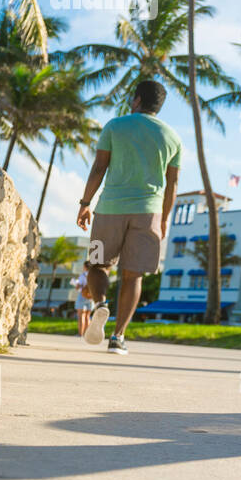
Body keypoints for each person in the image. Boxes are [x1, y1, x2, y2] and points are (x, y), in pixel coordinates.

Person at [76, 79, 182, 355]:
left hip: (109, 209)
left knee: (97, 265)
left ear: (136, 100)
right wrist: (165, 218)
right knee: (133, 276)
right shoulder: (173, 137)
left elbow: (99, 167)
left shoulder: (115, 126)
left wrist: (85, 203)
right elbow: (173, 184)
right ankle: (118, 337)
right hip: (148, 212)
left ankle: (100, 305)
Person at [73, 265, 93, 337]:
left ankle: (80, 333)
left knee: (81, 315)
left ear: (85, 267)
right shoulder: (93, 275)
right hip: (91, 297)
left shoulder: (83, 275)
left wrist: (76, 284)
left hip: (82, 296)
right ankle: (86, 335)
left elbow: (78, 286)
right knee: (88, 316)